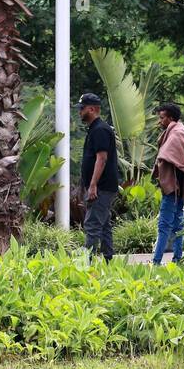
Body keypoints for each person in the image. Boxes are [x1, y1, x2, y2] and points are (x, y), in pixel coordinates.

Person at [151, 102, 184, 266]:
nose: (160, 121)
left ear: (171, 119)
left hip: (173, 188)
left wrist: (163, 160)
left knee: (164, 225)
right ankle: (177, 259)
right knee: (178, 225)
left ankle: (157, 262)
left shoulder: (176, 133)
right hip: (178, 186)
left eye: (162, 118)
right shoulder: (179, 130)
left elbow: (166, 154)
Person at [78, 93, 120, 260]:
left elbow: (101, 158)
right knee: (104, 225)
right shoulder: (96, 128)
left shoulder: (100, 129)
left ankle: (86, 263)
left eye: (82, 108)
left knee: (92, 224)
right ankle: (108, 260)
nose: (80, 112)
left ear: (92, 109)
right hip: (102, 186)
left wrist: (93, 185)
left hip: (101, 186)